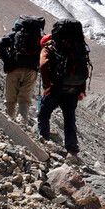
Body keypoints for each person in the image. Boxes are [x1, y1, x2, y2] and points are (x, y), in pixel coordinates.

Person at [37, 19, 90, 162]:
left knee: (43, 114)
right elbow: (84, 68)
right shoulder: (80, 47)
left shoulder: (51, 46)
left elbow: (43, 65)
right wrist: (81, 90)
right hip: (73, 89)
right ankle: (72, 151)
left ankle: (44, 143)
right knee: (69, 119)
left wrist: (47, 85)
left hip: (55, 87)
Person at [0, 16, 44, 126]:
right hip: (31, 71)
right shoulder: (38, 35)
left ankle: (7, 124)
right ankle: (22, 124)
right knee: (25, 99)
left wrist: (7, 61)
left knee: (10, 99)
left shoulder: (15, 34)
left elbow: (0, 44)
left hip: (14, 69)